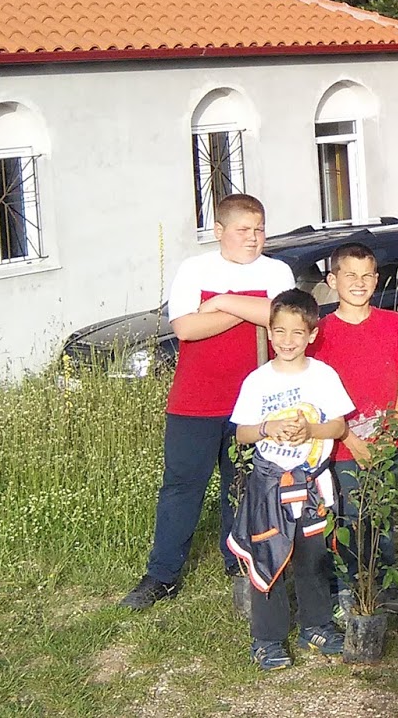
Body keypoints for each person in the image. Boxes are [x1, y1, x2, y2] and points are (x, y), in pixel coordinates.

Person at [121, 193, 295, 610]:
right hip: (195, 400)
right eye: (243, 230)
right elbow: (185, 328)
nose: (253, 239)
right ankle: (162, 575)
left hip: (255, 405)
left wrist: (219, 302)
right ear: (219, 232)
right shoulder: (194, 269)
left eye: (259, 230)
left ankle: (238, 562)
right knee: (182, 487)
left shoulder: (277, 270)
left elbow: (287, 319)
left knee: (245, 487)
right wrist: (251, 310)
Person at [227, 290, 354, 670]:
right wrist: (268, 427)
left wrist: (311, 430)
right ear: (269, 331)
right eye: (279, 331)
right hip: (271, 485)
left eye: (297, 333)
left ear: (311, 335)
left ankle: (315, 625)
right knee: (269, 556)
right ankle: (267, 638)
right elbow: (242, 434)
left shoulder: (324, 375)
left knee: (313, 557)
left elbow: (339, 425)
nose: (287, 341)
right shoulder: (257, 381)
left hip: (312, 482)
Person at [308, 243, 398, 615]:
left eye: (366, 275)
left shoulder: (394, 324)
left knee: (382, 515)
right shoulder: (321, 333)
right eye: (349, 275)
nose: (358, 283)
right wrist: (349, 438)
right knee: (348, 516)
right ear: (332, 280)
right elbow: (316, 394)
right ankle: (347, 587)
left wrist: (396, 425)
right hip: (344, 445)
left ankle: (384, 583)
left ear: (376, 279)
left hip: (388, 440)